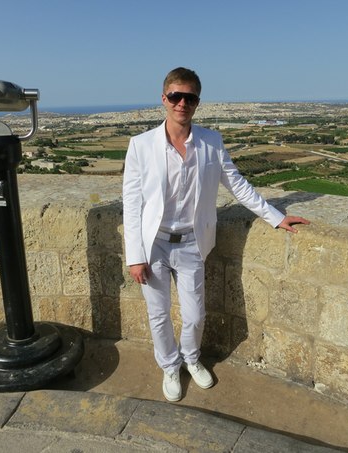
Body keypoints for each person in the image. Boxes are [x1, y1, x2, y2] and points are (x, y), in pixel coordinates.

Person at [122, 67, 310, 402]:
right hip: (154, 245)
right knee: (158, 314)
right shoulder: (141, 145)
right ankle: (170, 366)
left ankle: (191, 358)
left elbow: (237, 185)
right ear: (164, 98)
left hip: (192, 243)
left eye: (190, 98)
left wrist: (275, 216)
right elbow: (132, 203)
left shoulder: (211, 141)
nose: (182, 103)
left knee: (195, 315)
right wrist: (135, 256)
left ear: (197, 102)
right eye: (176, 96)